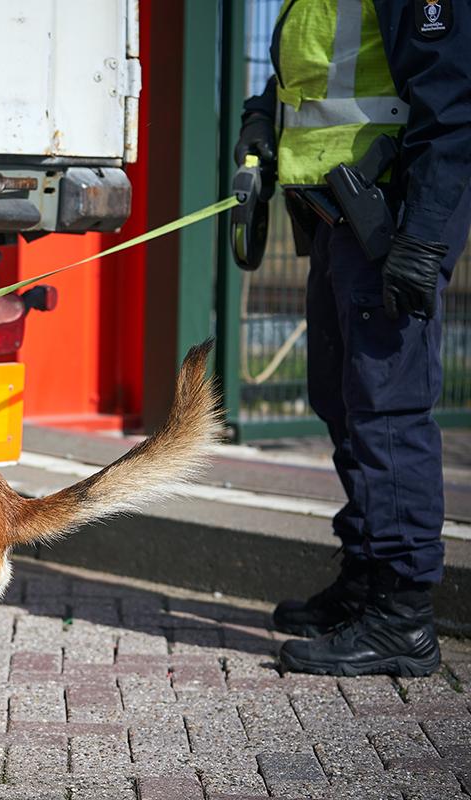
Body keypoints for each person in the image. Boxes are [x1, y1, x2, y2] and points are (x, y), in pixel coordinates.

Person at [234, 0, 471, 676]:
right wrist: (258, 126)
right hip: (332, 220)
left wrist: (425, 237)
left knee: (387, 417)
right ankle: (367, 579)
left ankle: (402, 617)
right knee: (341, 404)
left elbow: (452, 108)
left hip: (386, 226)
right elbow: (296, 85)